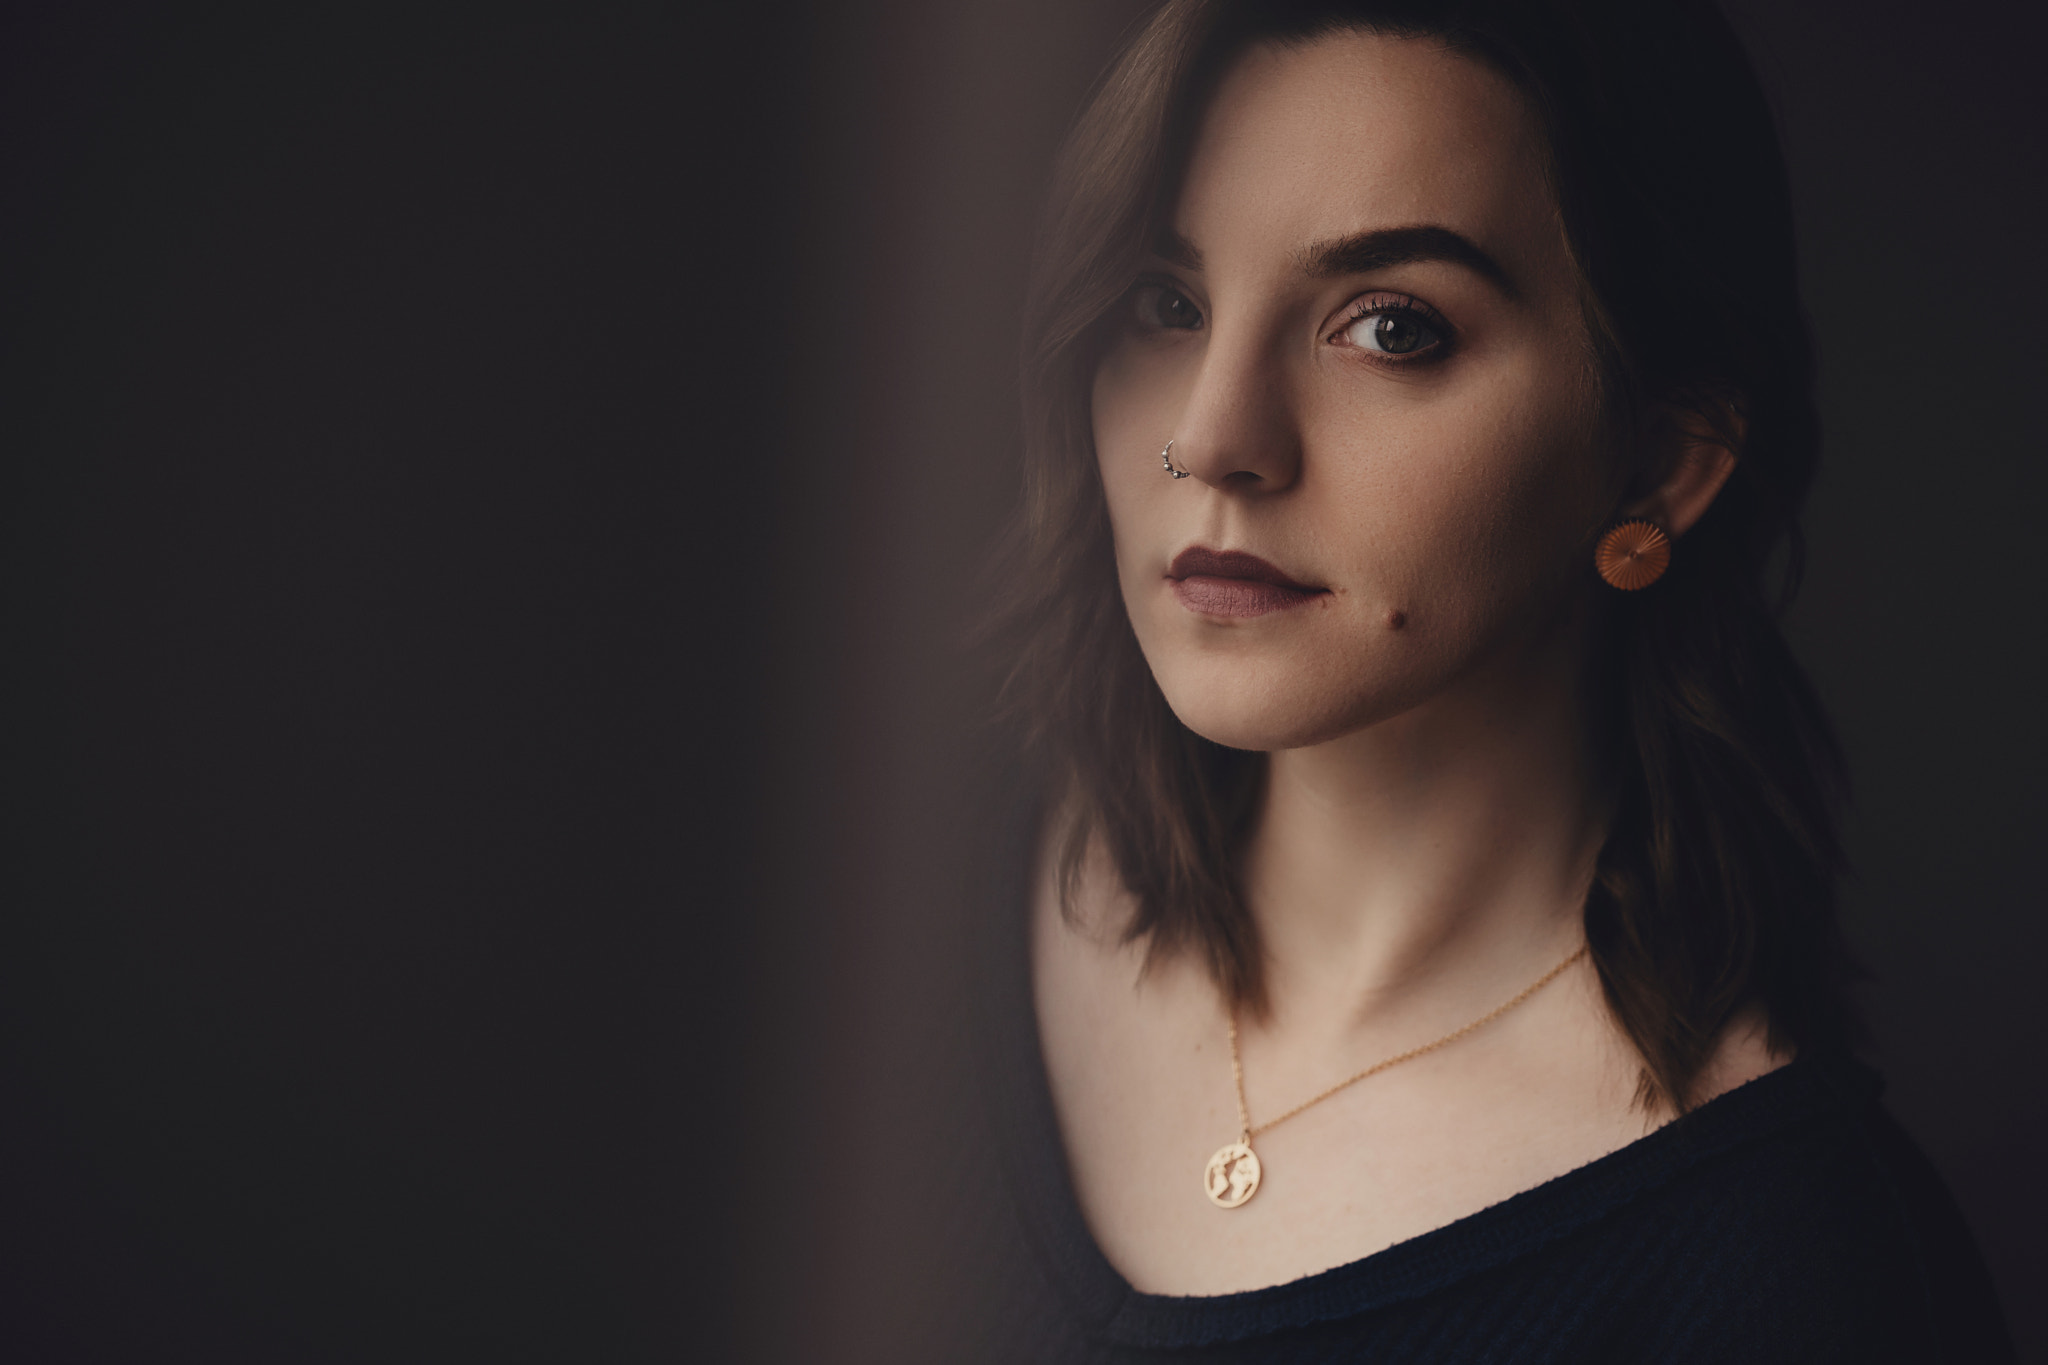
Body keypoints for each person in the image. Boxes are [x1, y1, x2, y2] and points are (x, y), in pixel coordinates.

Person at [963, 0, 2017, 1358]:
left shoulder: (1789, 1270)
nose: (1212, 437)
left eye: (1390, 327)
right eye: (1167, 303)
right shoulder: (920, 902)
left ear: (1658, 465)